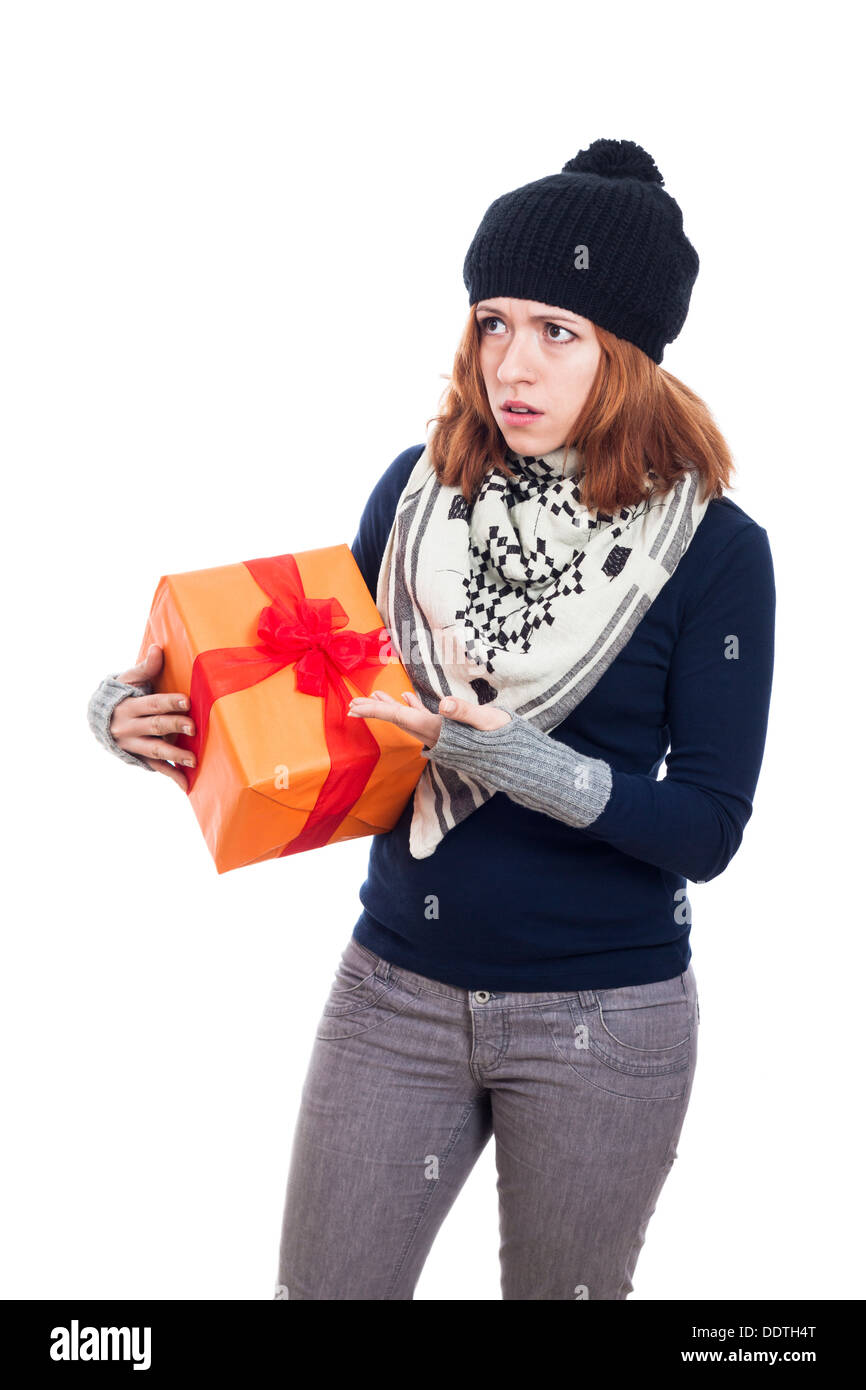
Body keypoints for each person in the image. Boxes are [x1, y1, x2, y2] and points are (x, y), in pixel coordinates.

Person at [86, 138, 776, 1300]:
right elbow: (331, 709)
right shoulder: (415, 491)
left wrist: (516, 761)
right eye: (492, 321)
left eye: (558, 331)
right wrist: (152, 710)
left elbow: (707, 829)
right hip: (393, 988)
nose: (513, 362)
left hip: (603, 1022)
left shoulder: (714, 551)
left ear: (631, 352)